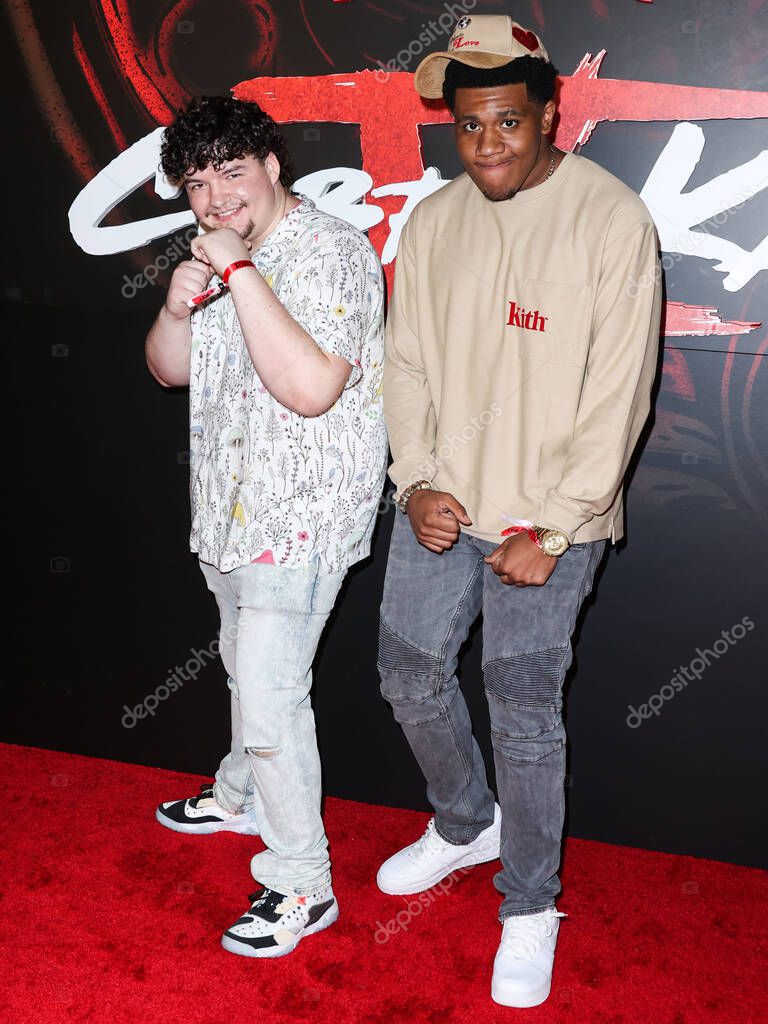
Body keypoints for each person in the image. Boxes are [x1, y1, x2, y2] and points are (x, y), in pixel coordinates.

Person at [376, 14, 661, 1008]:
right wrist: (414, 481)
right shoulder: (433, 222)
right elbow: (403, 363)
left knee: (522, 701)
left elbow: (620, 389)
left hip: (553, 519)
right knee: (406, 670)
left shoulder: (611, 218)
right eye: (469, 124)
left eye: (507, 119)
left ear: (548, 112)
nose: (488, 142)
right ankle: (465, 820)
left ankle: (530, 904)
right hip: (445, 501)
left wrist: (560, 519)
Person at [145, 95, 387, 958]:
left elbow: (313, 388)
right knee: (242, 667)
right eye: (196, 183)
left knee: (273, 700)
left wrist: (240, 275)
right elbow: (170, 374)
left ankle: (301, 881)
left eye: (231, 174)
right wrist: (177, 306)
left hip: (302, 515)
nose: (213, 199)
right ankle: (242, 795)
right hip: (228, 506)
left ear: (272, 165)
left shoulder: (331, 254)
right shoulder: (215, 254)